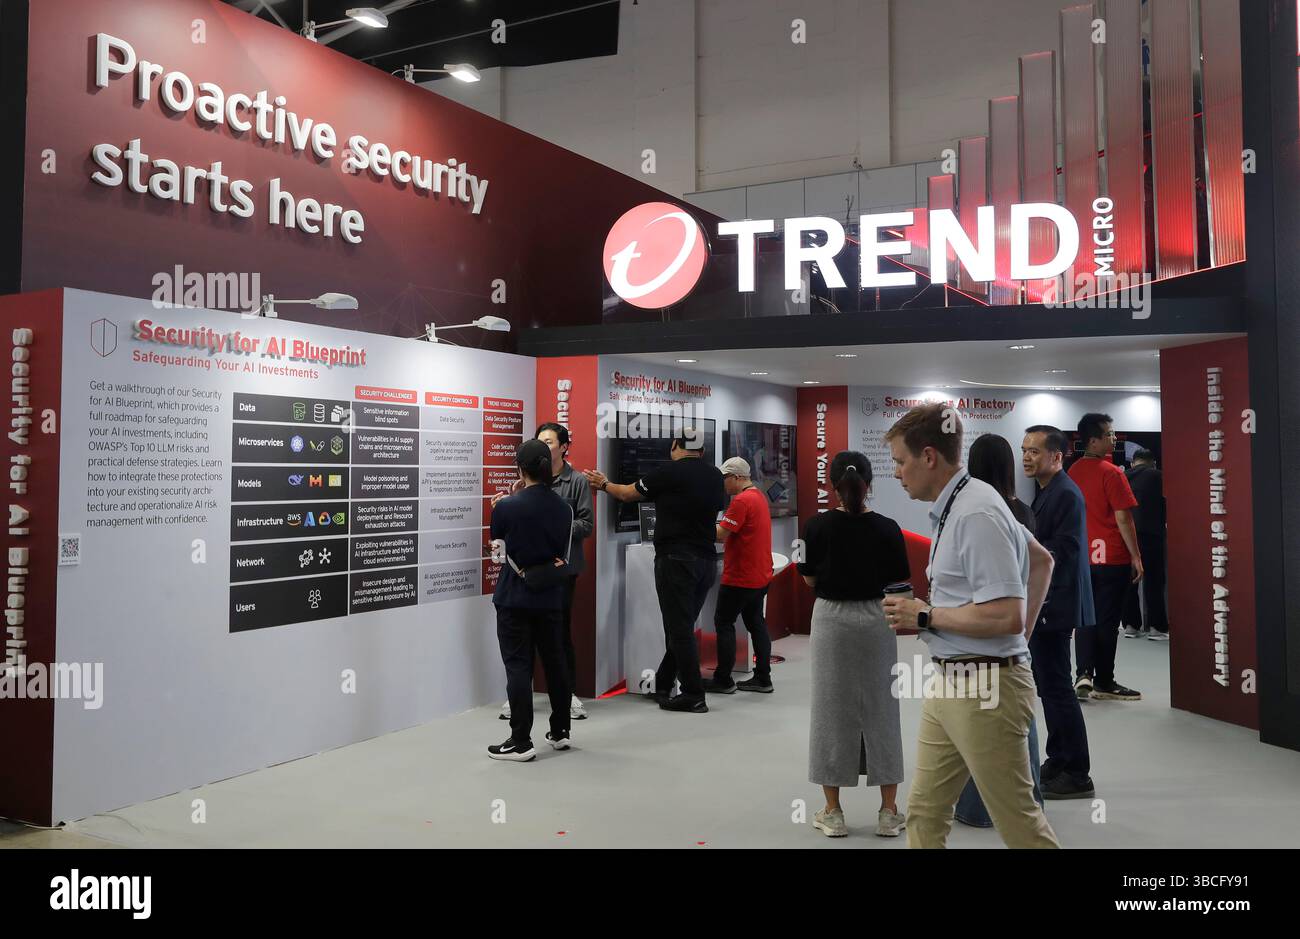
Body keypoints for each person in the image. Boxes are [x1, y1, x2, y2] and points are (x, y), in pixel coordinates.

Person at [881, 404, 1059, 848]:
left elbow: (1004, 614)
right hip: (953, 679)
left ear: (928, 457)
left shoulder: (975, 512)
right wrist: (1020, 639)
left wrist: (925, 615)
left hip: (985, 688)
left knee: (1020, 825)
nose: (898, 474)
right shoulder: (963, 502)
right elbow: (1041, 561)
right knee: (924, 814)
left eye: (901, 462)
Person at [798, 451, 909, 838]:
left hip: (831, 620)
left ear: (831, 484)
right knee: (883, 709)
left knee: (830, 710)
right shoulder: (889, 528)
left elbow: (809, 580)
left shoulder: (815, 527)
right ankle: (889, 811)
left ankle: (833, 812)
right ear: (870, 483)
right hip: (878, 619)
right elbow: (902, 589)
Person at [584, 429, 727, 713]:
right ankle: (663, 683)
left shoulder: (668, 472)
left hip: (676, 560)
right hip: (707, 561)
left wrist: (603, 484)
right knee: (682, 627)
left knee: (679, 629)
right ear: (701, 450)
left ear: (676, 446)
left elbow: (626, 494)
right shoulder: (714, 476)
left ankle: (693, 694)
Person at [953, 434, 1045, 826]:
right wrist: (1025, 627)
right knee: (1020, 716)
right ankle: (1029, 798)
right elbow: (1037, 568)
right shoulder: (1022, 511)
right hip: (1016, 628)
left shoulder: (971, 512)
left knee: (978, 720)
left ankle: (978, 806)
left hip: (981, 628)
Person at [494, 423, 595, 723]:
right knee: (543, 648)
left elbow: (498, 547)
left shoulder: (575, 482)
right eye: (541, 442)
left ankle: (538, 720)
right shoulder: (552, 506)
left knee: (554, 643)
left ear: (564, 446)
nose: (545, 446)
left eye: (549, 441)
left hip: (555, 575)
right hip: (539, 577)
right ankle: (557, 724)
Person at [486, 439, 575, 761]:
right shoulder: (563, 508)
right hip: (551, 596)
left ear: (520, 469)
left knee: (518, 667)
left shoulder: (508, 506)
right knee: (555, 663)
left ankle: (520, 740)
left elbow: (497, 553)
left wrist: (499, 509)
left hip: (514, 597)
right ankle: (561, 731)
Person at [1022, 425, 1096, 799]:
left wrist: (1023, 550)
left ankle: (1077, 772)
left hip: (1056, 602)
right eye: (1025, 450)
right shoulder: (1049, 492)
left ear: (1057, 456)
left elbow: (1062, 548)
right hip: (1048, 601)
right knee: (1050, 686)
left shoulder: (1064, 494)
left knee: (1056, 687)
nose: (1027, 457)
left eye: (1035, 451)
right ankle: (1059, 758)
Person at [1069, 413, 1143, 701]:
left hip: (1084, 559)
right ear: (1093, 440)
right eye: (1109, 434)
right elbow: (1124, 519)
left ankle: (1083, 673)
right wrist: (1136, 556)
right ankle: (1105, 680)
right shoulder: (1113, 473)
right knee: (1108, 622)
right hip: (1112, 558)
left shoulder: (1073, 472)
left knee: (1085, 618)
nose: (1114, 438)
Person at [707, 457, 775, 694]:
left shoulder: (741, 501)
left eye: (724, 478)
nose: (722, 483)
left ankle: (723, 679)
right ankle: (763, 677)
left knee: (724, 622)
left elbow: (720, 535)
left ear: (737, 478)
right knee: (756, 623)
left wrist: (695, 521)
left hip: (740, 576)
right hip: (760, 575)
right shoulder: (758, 497)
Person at [1123, 449, 1168, 641]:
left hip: (1126, 536)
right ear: (1153, 463)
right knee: (1154, 581)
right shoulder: (1158, 476)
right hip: (1152, 534)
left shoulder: (1122, 476)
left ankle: (1131, 626)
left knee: (1129, 582)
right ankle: (1157, 627)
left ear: (1133, 463)